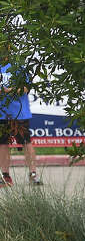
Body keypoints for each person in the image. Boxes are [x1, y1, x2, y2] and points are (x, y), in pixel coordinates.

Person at [0, 51, 40, 186]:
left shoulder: (18, 66)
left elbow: (26, 88)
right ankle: (5, 176)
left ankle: (33, 174)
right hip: (1, 114)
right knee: (3, 144)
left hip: (19, 113)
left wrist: (8, 91)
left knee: (26, 143)